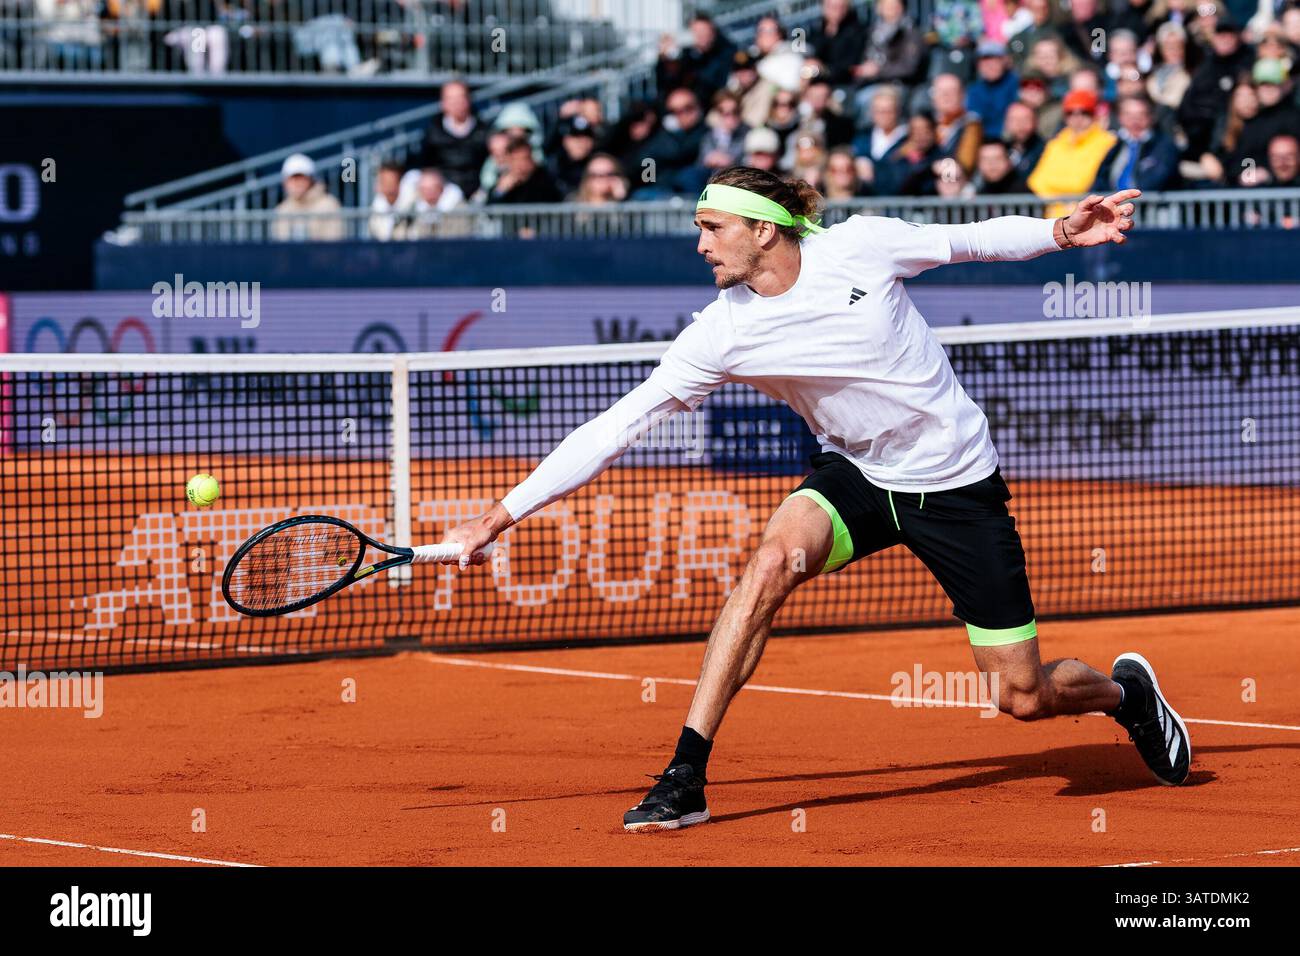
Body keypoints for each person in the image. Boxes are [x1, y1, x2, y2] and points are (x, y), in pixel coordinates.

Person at [435, 166, 1191, 831]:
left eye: (712, 228)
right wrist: (500, 516)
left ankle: (1126, 695)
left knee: (1022, 699)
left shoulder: (860, 245)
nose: (700, 245)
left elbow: (971, 240)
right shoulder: (718, 335)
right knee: (768, 566)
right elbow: (618, 424)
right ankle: (686, 775)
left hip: (954, 481)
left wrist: (1062, 230)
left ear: (763, 231)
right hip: (855, 473)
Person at [1028, 89, 1117, 209]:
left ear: (1094, 114)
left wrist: (1055, 191)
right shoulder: (1056, 142)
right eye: (1070, 113)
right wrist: (1065, 197)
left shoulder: (1107, 141)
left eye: (1084, 112)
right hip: (1053, 217)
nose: (1077, 118)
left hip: (1086, 216)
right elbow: (1037, 183)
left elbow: (1082, 183)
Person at [417, 80, 490, 200]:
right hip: (443, 196)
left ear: (469, 100)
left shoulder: (484, 131)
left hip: (478, 194)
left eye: (460, 97)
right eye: (451, 98)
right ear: (443, 103)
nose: (456, 102)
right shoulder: (432, 132)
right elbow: (426, 165)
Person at [1091, 95, 1180, 191]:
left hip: (1149, 204)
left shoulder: (1164, 145)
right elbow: (1101, 179)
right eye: (1128, 114)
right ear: (1120, 117)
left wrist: (1130, 198)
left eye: (1141, 114)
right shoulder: (1115, 144)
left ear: (1151, 117)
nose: (1134, 120)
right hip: (1118, 203)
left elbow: (1159, 178)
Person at [271, 153, 344, 242]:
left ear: (311, 179)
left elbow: (334, 244)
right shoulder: (282, 210)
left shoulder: (329, 205)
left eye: (301, 178)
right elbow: (279, 248)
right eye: (292, 179)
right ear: (285, 182)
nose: (296, 183)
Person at [487, 136, 562, 204]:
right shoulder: (503, 180)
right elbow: (489, 208)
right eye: (515, 160)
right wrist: (500, 191)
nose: (520, 164)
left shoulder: (546, 179)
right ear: (508, 160)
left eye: (524, 159)